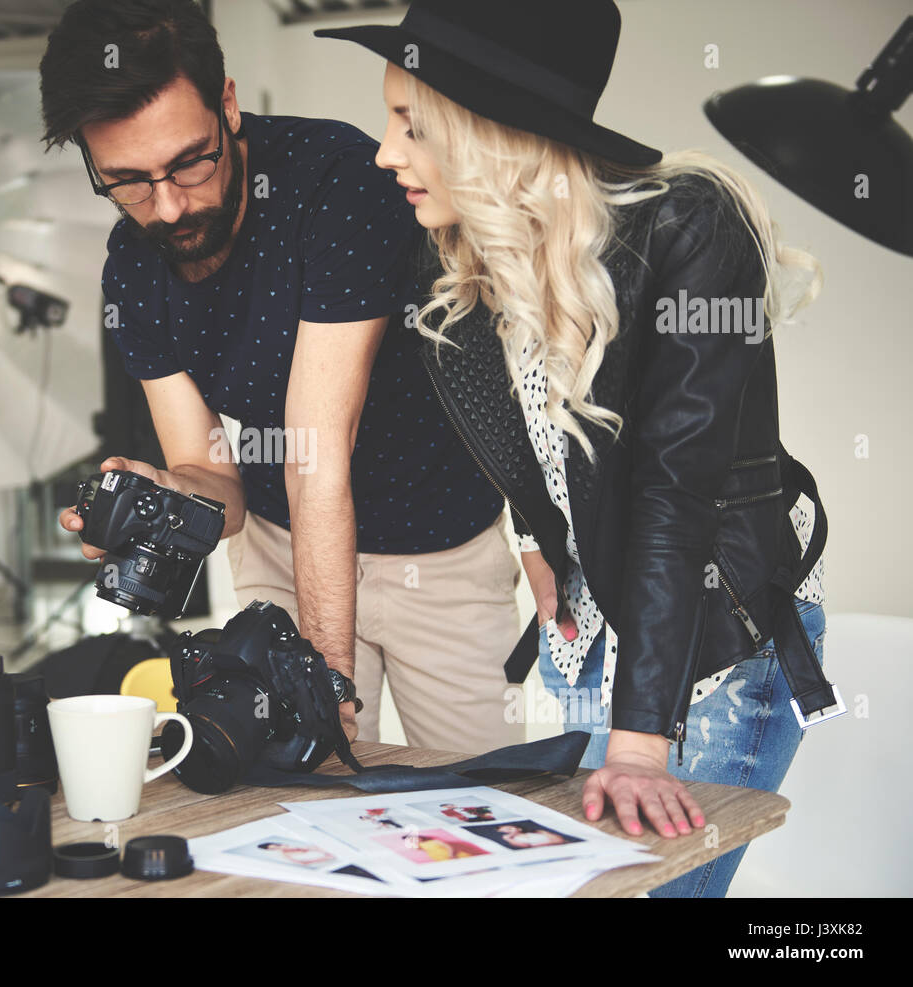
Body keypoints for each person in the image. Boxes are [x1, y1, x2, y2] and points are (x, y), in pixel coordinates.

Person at [317, 0, 840, 897]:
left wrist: (642, 741)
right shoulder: (477, 251)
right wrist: (538, 537)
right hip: (587, 643)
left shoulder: (693, 223)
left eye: (411, 124)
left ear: (491, 129)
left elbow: (678, 494)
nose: (385, 152)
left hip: (716, 648)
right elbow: (529, 428)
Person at [39, 0, 525, 754]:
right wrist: (173, 498)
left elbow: (315, 457)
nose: (167, 207)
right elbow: (215, 481)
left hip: (440, 559)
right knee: (289, 798)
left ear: (227, 104)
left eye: (188, 163)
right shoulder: (132, 265)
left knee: (478, 806)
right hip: (279, 546)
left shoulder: (339, 187)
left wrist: (323, 682)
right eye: (128, 182)